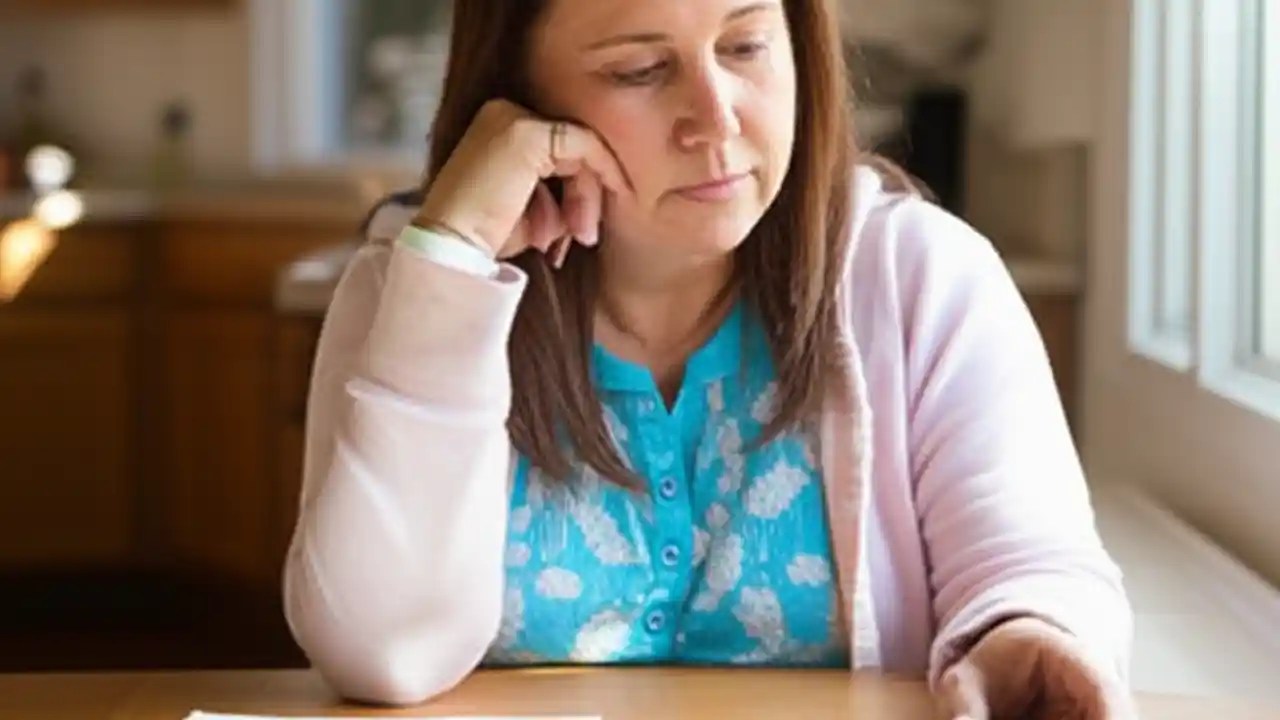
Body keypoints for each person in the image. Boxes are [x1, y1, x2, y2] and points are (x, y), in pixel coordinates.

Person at [283, 0, 1135, 717]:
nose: (718, 118)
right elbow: (379, 652)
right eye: (640, 71)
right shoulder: (419, 284)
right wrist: (455, 261)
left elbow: (1034, 572)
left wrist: (1028, 634)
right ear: (515, 98)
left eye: (745, 46)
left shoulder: (923, 278)